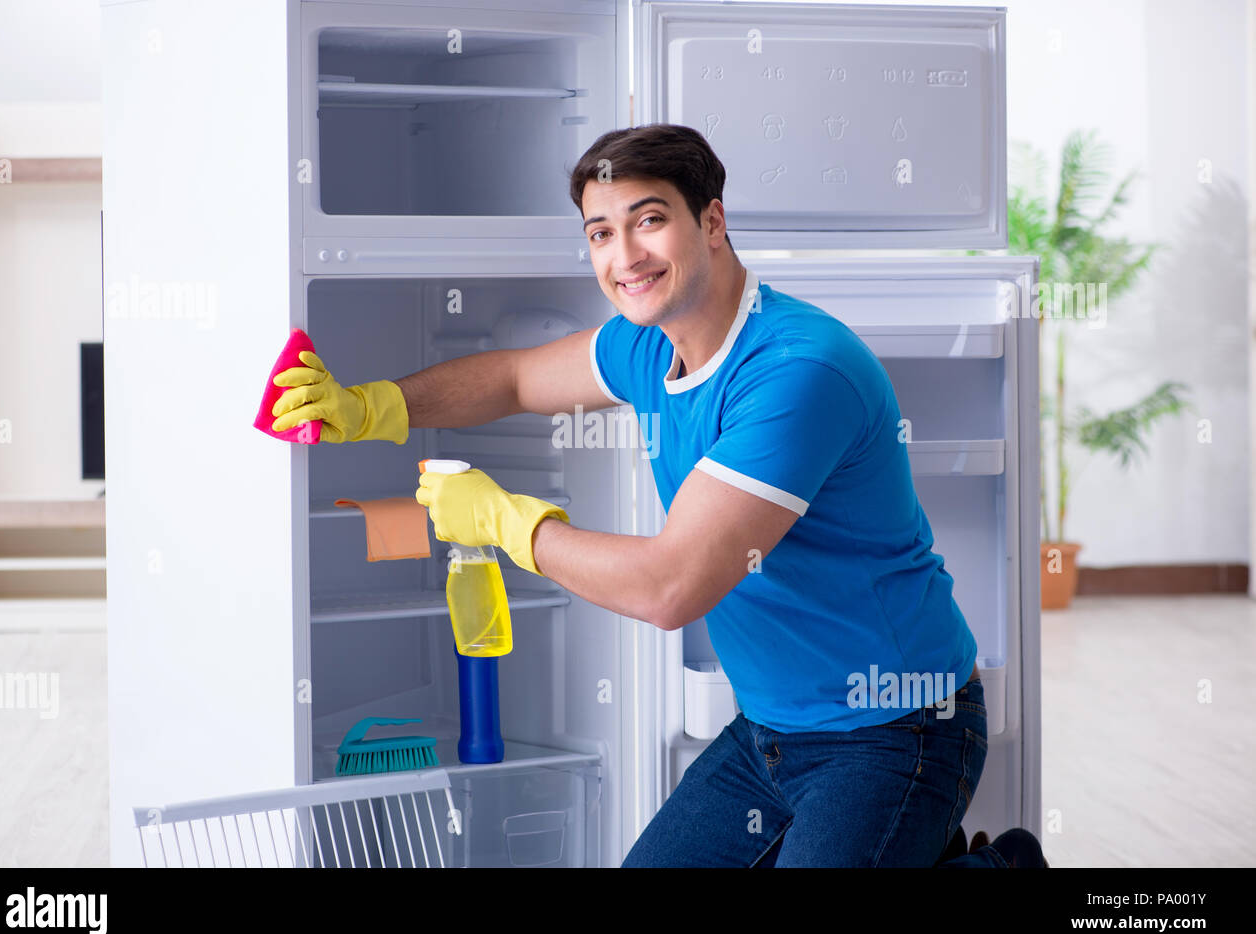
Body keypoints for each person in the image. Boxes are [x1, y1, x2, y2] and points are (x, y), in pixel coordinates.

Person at [268, 123, 1039, 868]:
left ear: (712, 222)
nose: (624, 255)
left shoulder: (796, 371)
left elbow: (672, 586)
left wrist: (509, 522)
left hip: (896, 729)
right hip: (771, 728)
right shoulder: (648, 343)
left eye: (648, 221)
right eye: (601, 232)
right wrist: (371, 407)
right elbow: (511, 377)